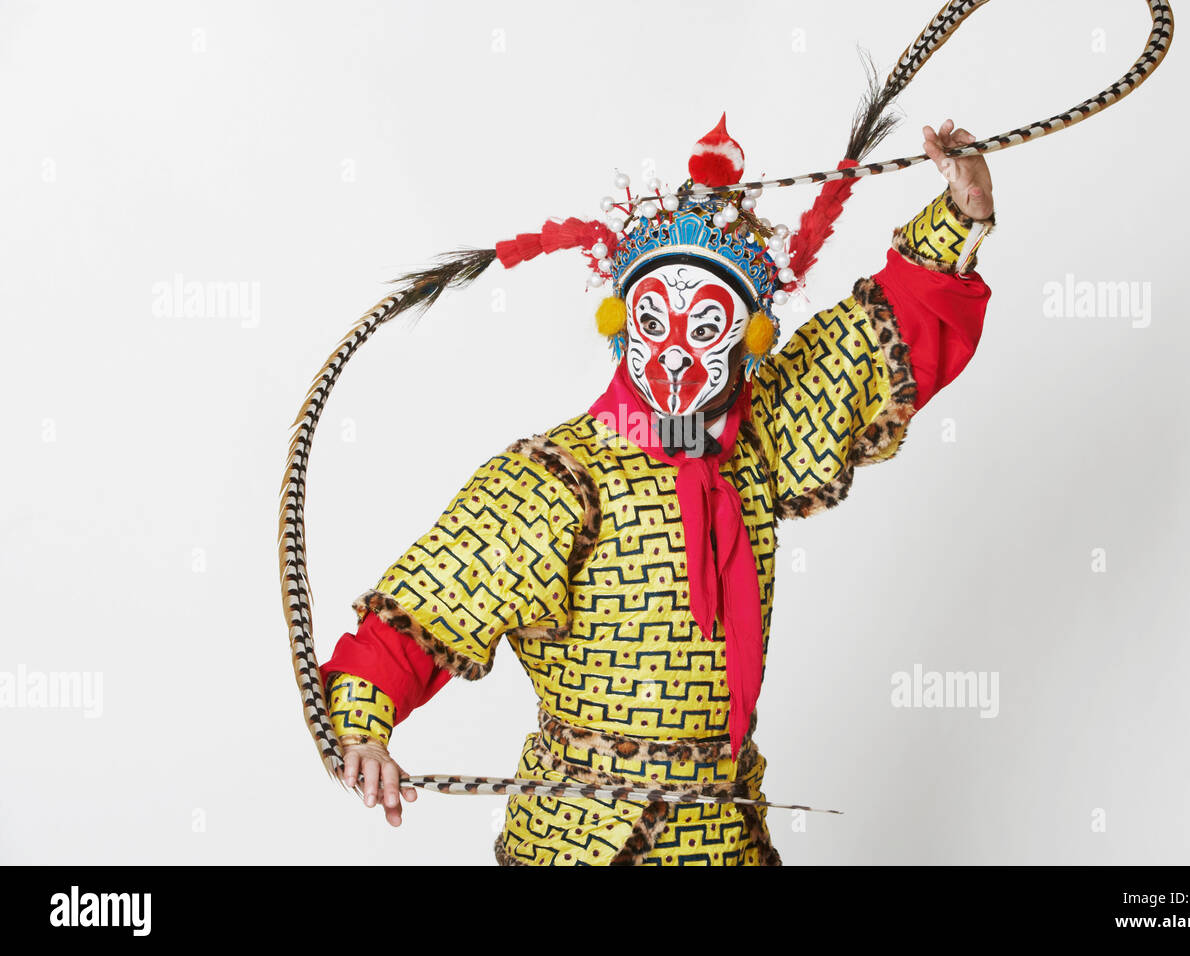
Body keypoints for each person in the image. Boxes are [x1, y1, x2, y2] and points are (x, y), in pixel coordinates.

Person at [320, 116, 996, 865]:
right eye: (653, 321)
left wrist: (958, 215)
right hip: (579, 841)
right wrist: (361, 728)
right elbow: (427, 610)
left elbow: (872, 342)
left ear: (747, 338)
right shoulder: (555, 477)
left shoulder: (755, 443)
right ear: (622, 325)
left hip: (722, 832)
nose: (674, 354)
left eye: (705, 325)